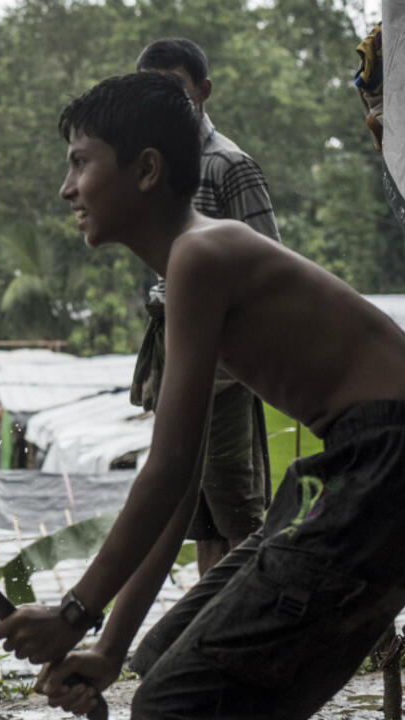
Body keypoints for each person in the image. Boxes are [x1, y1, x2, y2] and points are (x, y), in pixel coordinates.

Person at [0, 71, 405, 718]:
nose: (67, 187)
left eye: (80, 162)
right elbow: (180, 484)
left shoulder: (202, 253)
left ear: (146, 170)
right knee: (158, 662)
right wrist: (107, 649)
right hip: (359, 466)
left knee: (176, 703)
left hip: (387, 463)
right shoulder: (185, 280)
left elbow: (166, 471)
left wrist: (74, 611)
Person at [132, 37, 280, 576]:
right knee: (197, 517)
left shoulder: (228, 165)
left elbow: (270, 266)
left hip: (225, 365)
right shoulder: (158, 170)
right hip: (177, 353)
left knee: (236, 506)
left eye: (173, 89)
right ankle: (206, 623)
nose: (162, 102)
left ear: (203, 90)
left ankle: (249, 618)